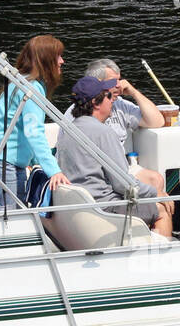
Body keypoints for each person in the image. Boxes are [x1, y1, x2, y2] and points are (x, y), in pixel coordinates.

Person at [56, 76, 173, 238]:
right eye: (109, 96)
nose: (113, 101)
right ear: (96, 103)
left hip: (80, 206)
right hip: (105, 208)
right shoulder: (103, 133)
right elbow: (123, 184)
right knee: (162, 209)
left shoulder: (68, 131)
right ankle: (162, 259)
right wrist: (156, 194)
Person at [0, 34, 71, 211]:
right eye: (58, 56)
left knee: (17, 211)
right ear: (46, 60)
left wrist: (33, 159)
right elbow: (33, 132)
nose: (62, 61)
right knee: (10, 215)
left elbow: (18, 125)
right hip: (3, 160)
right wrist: (53, 170)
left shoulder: (21, 81)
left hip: (0, 156)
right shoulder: (32, 89)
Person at [63, 58, 167, 197]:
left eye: (120, 80)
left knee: (156, 179)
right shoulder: (76, 112)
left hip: (120, 168)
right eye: (113, 81)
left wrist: (134, 92)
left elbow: (157, 121)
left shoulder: (120, 105)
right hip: (93, 175)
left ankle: (147, 214)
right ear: (96, 84)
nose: (120, 85)